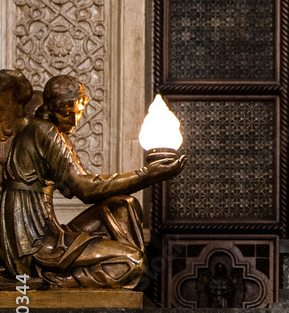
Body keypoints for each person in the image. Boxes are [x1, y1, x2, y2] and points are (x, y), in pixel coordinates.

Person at [0, 76, 185, 288]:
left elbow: (71, 186)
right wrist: (147, 175)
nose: (74, 121)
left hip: (48, 227)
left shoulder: (51, 133)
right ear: (50, 109)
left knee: (124, 205)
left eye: (78, 112)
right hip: (33, 238)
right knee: (133, 262)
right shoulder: (44, 131)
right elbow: (85, 188)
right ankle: (53, 280)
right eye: (66, 114)